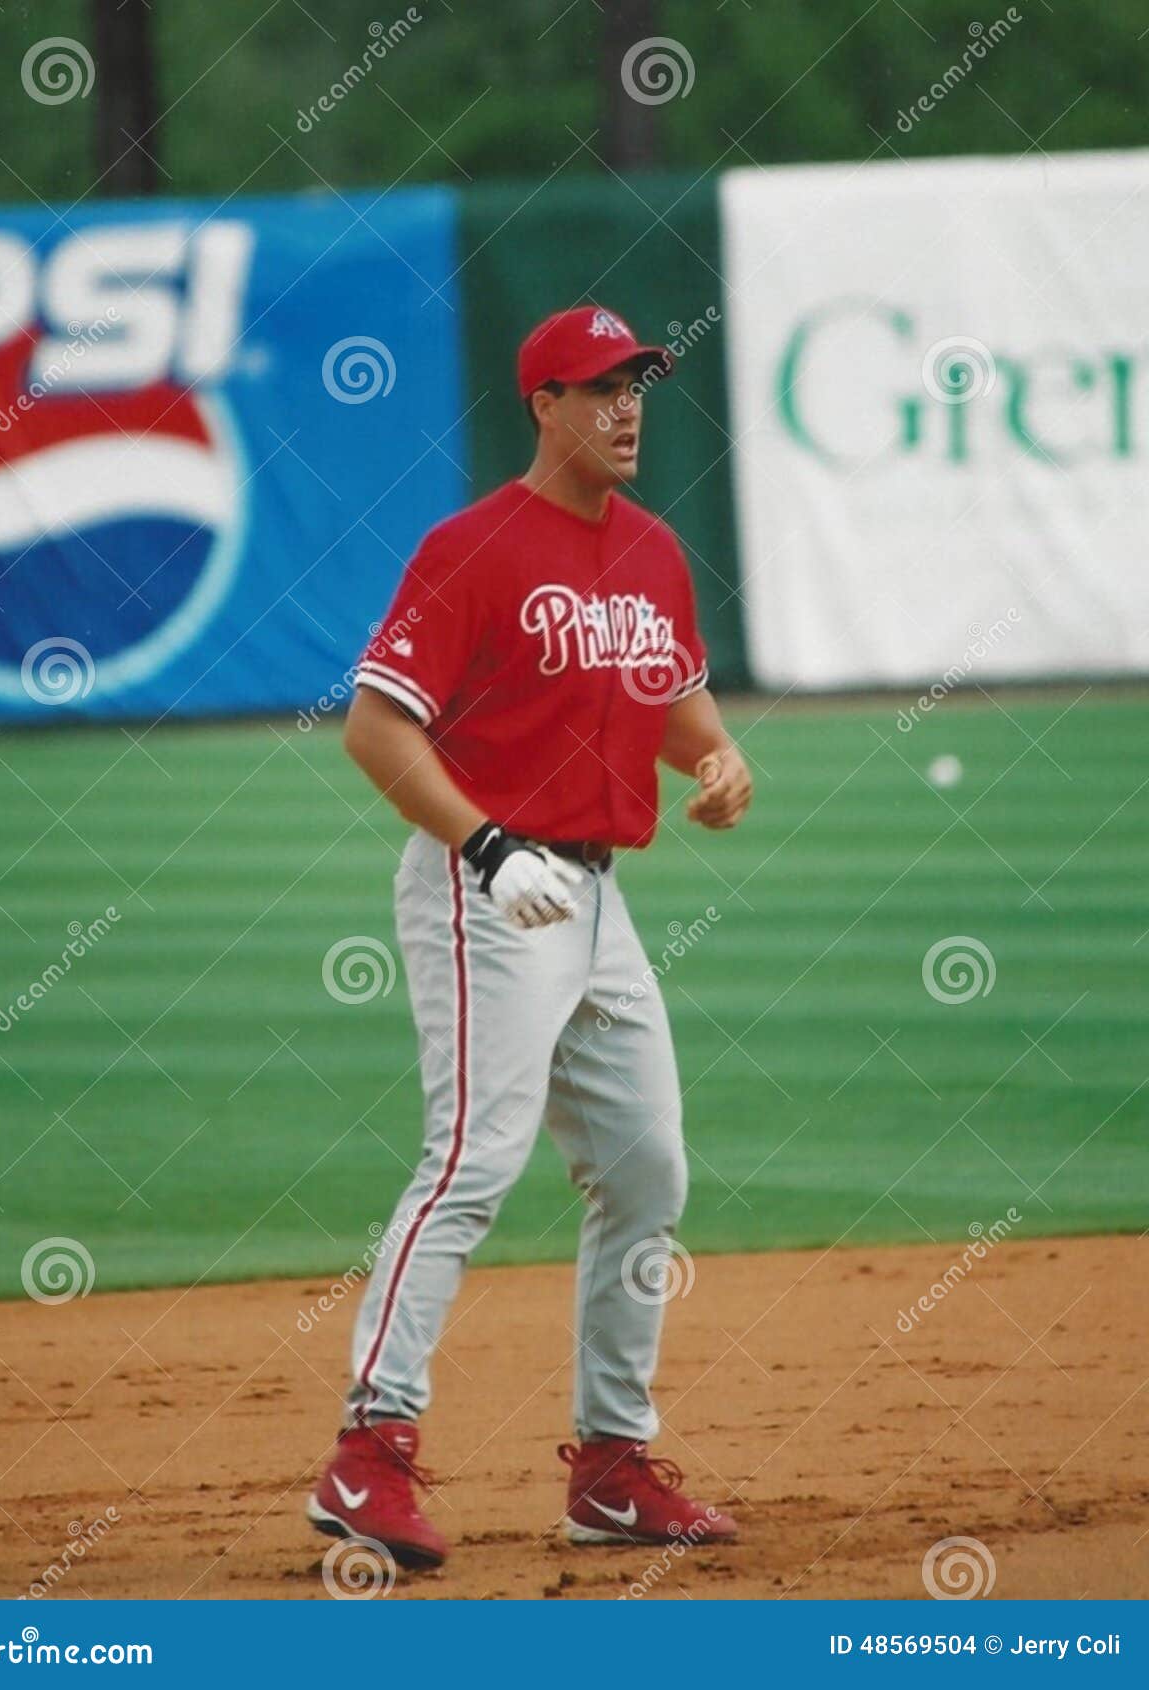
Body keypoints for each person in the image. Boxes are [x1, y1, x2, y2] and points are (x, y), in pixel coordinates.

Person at [307, 305, 754, 1569]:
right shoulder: (471, 548)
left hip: (598, 901)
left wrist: (719, 760)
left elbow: (672, 704)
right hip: (486, 887)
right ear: (541, 404)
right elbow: (376, 731)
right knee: (470, 1164)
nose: (627, 408)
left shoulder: (654, 554)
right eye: (601, 386)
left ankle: (610, 1469)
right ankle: (366, 1455)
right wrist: (488, 852)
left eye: (640, 386)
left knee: (647, 1164)